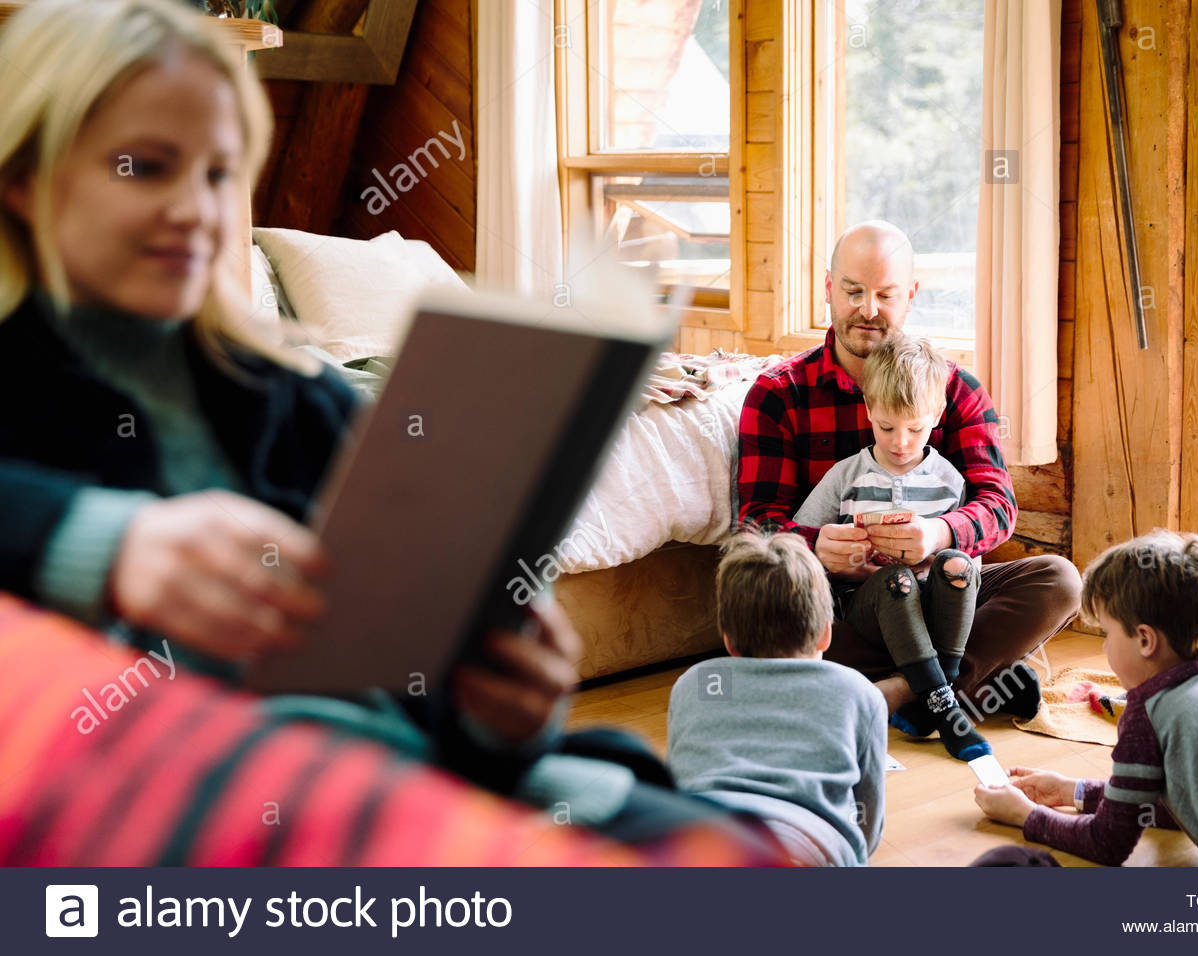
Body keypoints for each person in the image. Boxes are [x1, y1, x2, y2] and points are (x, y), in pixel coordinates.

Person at [0, 0, 774, 857]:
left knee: (714, 848)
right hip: (204, 817)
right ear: (24, 178)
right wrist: (106, 547)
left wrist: (499, 712)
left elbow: (410, 686)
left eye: (220, 174)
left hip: (410, 780)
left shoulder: (302, 399)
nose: (195, 209)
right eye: (144, 166)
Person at [737, 220, 1082, 726]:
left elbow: (998, 505)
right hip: (847, 604)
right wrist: (816, 545)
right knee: (766, 617)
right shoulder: (777, 395)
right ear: (829, 287)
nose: (868, 310)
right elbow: (756, 525)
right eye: (853, 291)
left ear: (912, 295)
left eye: (886, 294)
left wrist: (940, 532)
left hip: (945, 595)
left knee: (1060, 581)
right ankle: (972, 679)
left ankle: (901, 692)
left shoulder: (957, 390)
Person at [974, 530, 1198, 867]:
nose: (1103, 647)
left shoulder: (1147, 716)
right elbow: (1184, 803)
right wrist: (1072, 791)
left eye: (1108, 633)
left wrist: (1024, 815)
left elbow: (1106, 843)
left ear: (1145, 640)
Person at [793, 332, 988, 761]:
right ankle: (944, 699)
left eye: (915, 428)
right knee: (896, 580)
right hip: (867, 606)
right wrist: (830, 556)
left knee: (958, 565)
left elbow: (971, 562)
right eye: (886, 427)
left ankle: (930, 694)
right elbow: (794, 541)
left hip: (934, 611)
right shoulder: (846, 476)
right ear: (868, 410)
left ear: (937, 414)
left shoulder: (949, 480)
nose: (900, 442)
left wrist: (937, 545)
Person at [666, 531, 889, 866]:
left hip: (695, 840)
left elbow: (678, 780)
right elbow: (867, 820)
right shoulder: (860, 693)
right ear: (826, 633)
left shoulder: (694, 683)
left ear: (729, 641)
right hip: (805, 845)